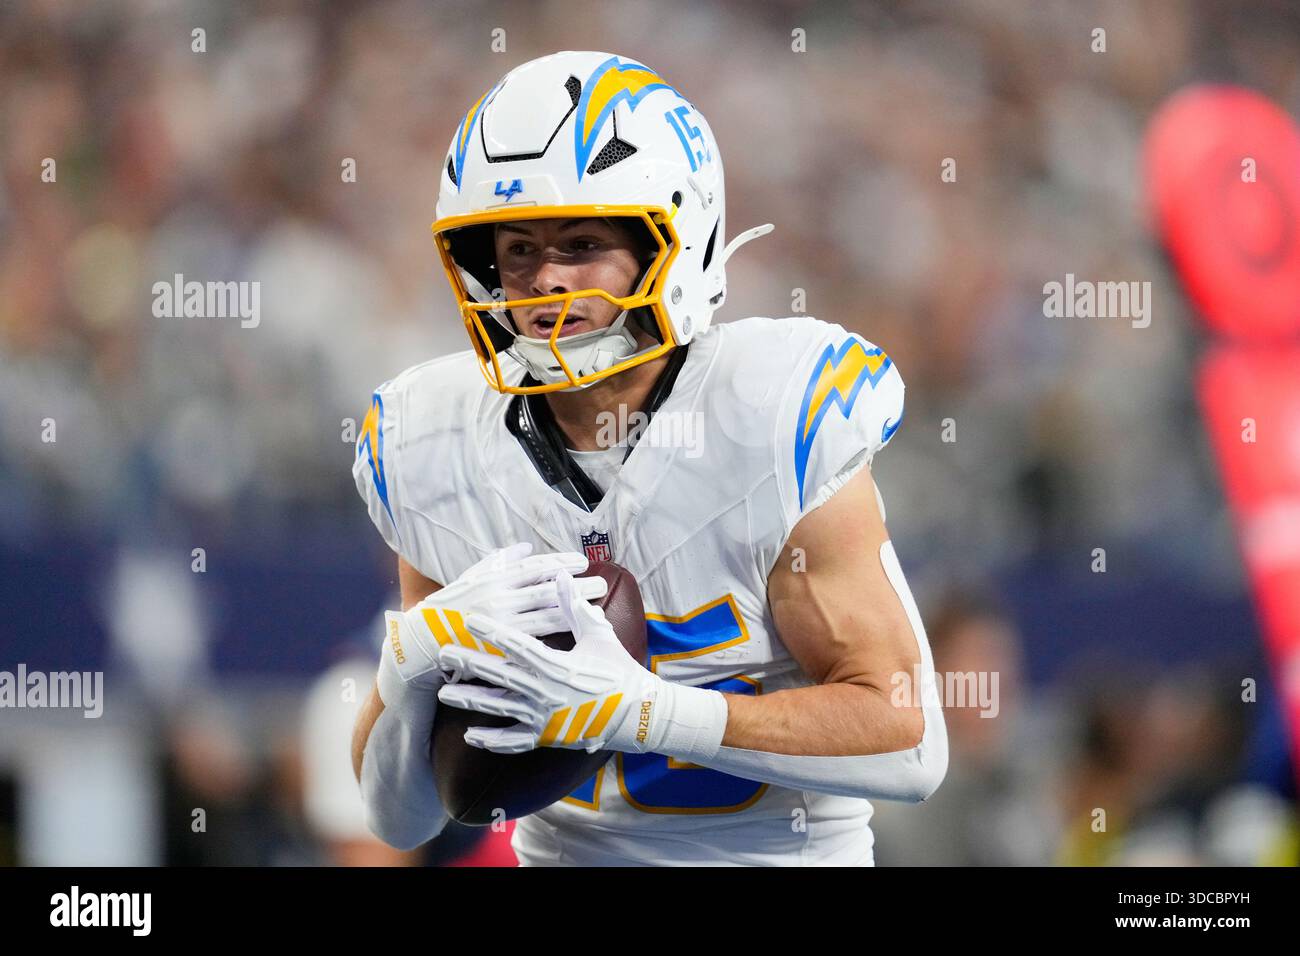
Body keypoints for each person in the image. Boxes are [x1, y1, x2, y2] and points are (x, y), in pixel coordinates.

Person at [350, 50, 947, 866]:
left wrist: (648, 715)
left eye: (582, 242)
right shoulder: (432, 441)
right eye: (518, 250)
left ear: (676, 242)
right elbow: (401, 821)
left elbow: (910, 744)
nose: (544, 282)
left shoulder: (771, 415)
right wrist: (410, 659)